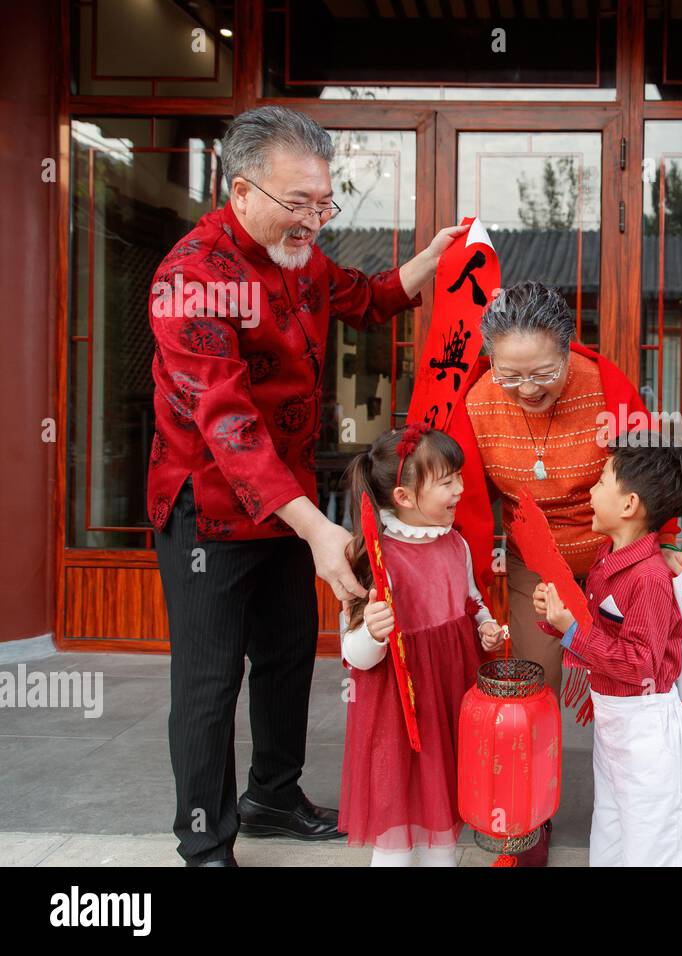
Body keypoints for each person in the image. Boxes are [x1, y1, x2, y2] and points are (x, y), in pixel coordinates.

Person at [147, 105, 468, 866]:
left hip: (286, 507)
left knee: (289, 652)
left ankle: (273, 794)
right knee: (209, 680)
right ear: (242, 190)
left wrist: (430, 260)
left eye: (325, 202)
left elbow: (370, 298)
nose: (315, 221)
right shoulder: (192, 278)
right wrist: (321, 528)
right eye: (299, 203)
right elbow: (229, 427)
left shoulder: (300, 256)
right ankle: (203, 839)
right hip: (209, 511)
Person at [444, 281, 682, 865]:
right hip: (536, 561)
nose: (526, 389)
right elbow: (467, 499)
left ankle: (640, 812)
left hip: (617, 555)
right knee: (530, 688)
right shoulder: (478, 399)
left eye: (542, 373)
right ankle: (527, 823)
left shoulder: (605, 384)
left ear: (569, 351)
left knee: (636, 681)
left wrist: (669, 550)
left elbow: (651, 476)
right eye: (510, 375)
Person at [533, 440, 682, 866]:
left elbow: (640, 662)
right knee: (610, 823)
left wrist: (571, 632)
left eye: (600, 481)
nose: (589, 492)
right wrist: (554, 616)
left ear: (629, 504)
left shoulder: (647, 578)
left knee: (651, 836)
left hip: (647, 729)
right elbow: (594, 627)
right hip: (614, 722)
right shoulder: (606, 556)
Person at [337, 428, 501, 866]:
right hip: (398, 706)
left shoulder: (456, 543)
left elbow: (472, 602)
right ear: (405, 497)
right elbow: (353, 654)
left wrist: (485, 627)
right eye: (447, 482)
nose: (460, 490)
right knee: (398, 817)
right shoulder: (374, 555)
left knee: (441, 806)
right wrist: (372, 633)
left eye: (459, 478)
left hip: (450, 692)